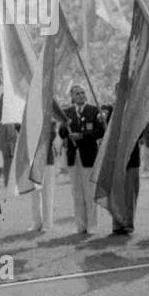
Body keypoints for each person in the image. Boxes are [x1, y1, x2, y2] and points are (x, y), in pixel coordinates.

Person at [58, 83, 105, 236]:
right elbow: (61, 132)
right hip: (73, 156)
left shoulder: (93, 110)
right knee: (77, 192)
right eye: (77, 93)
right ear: (72, 96)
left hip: (89, 155)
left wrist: (82, 136)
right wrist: (66, 128)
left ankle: (91, 225)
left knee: (89, 191)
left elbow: (100, 131)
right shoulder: (67, 113)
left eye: (82, 92)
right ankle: (80, 225)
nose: (80, 95)